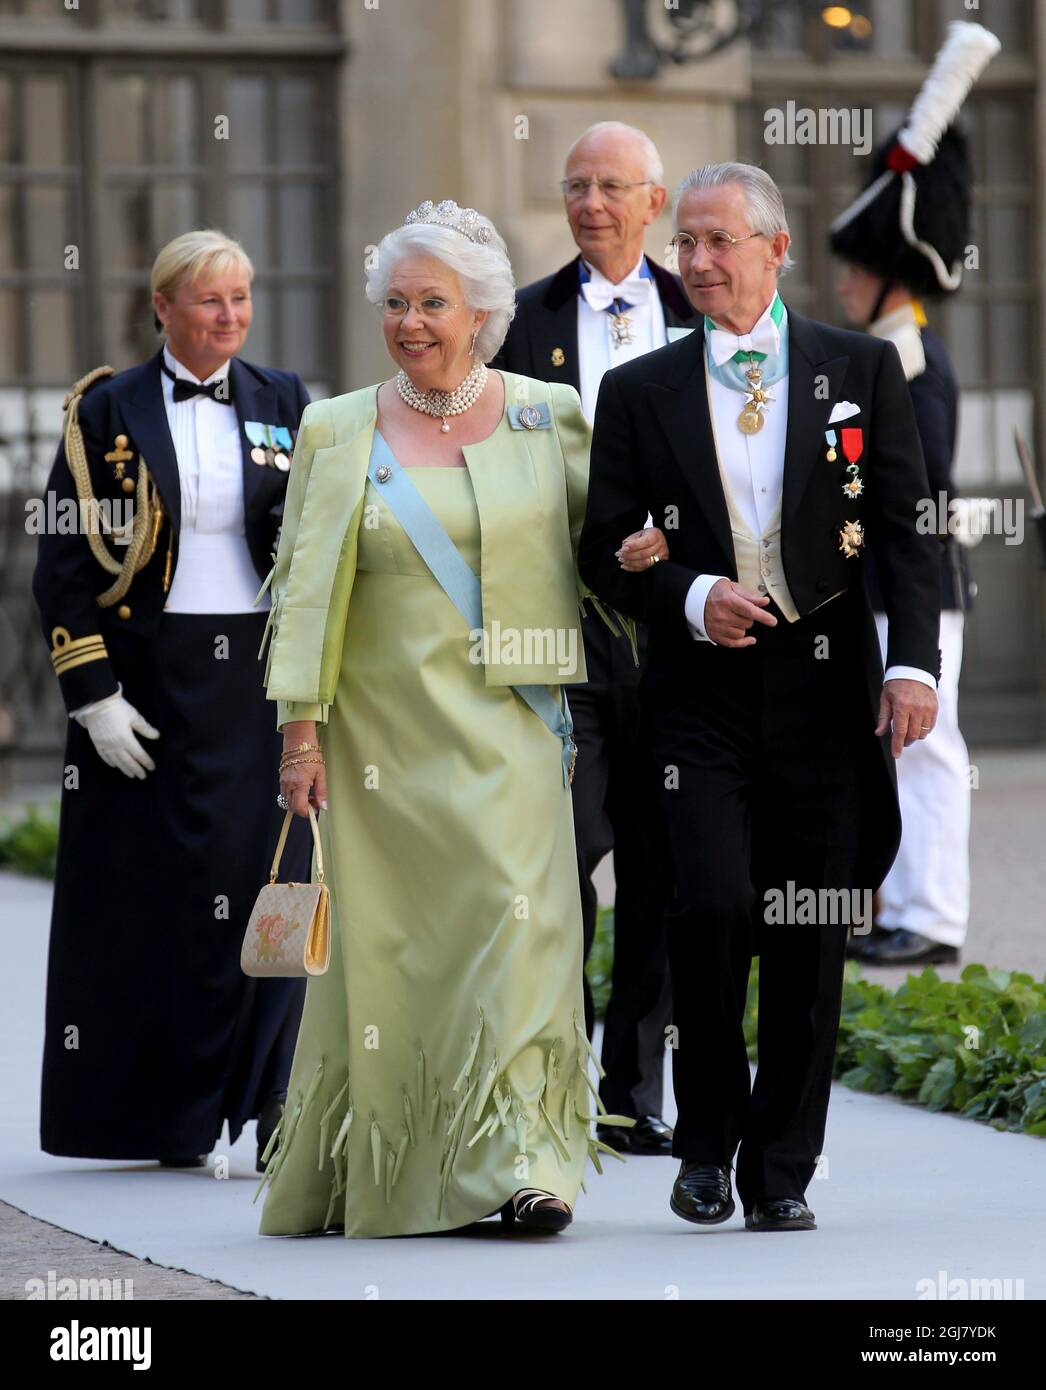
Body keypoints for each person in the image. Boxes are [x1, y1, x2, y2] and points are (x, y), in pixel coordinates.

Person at [253, 198, 665, 1239]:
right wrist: (299, 731)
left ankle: (522, 1162)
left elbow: (601, 544)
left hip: (510, 722)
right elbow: (302, 589)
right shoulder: (337, 426)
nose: (410, 322)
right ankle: (403, 1166)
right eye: (393, 302)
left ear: (480, 311)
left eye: (431, 302)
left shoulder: (543, 412)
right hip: (380, 737)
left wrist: (643, 560)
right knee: (398, 957)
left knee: (514, 936)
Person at [579, 163, 941, 1232]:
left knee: (808, 930)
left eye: (716, 241)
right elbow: (601, 552)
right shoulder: (638, 389)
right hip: (696, 695)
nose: (693, 261)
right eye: (684, 241)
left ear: (774, 251)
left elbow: (904, 531)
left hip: (825, 688)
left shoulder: (860, 367)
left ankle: (780, 1168)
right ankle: (703, 1149)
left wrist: (910, 665)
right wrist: (687, 593)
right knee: (711, 903)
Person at [32, 229, 311, 1172]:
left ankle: (278, 1102)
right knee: (160, 900)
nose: (228, 316)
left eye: (240, 298)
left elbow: (314, 543)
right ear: (162, 308)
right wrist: (92, 694)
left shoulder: (284, 399)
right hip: (147, 678)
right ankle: (163, 1120)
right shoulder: (103, 411)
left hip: (259, 680)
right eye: (207, 301)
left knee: (276, 881)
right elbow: (65, 570)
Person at [494, 121, 699, 1155]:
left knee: (660, 866)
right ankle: (555, 1073)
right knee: (564, 856)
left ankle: (632, 1088)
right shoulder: (522, 323)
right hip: (557, 636)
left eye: (611, 186)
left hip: (673, 641)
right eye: (575, 186)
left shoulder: (693, 315)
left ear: (651, 202)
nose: (590, 204)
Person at [830, 19, 1001, 966]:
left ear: (881, 272)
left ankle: (932, 918)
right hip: (890, 584)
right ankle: (899, 904)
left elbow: (918, 476)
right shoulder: (888, 347)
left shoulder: (911, 355)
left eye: (854, 269)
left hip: (922, 579)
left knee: (931, 746)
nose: (843, 282)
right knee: (890, 743)